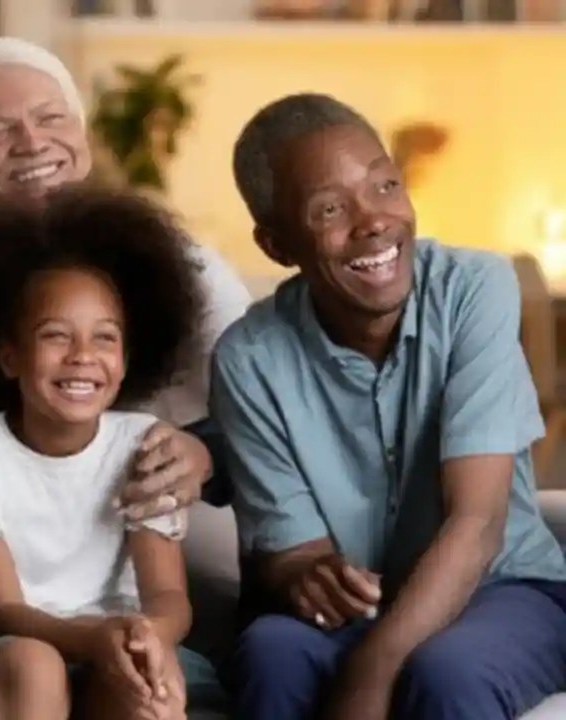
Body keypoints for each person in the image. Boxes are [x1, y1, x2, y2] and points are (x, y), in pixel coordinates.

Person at [215, 92, 566, 720]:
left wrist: (368, 678)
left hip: (502, 588)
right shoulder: (251, 356)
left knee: (448, 671)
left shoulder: (474, 290)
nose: (374, 220)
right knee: (272, 651)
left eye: (385, 185)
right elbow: (294, 553)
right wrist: (303, 571)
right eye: (329, 208)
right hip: (362, 606)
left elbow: (477, 525)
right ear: (276, 245)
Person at [0, 36, 251, 516]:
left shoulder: (189, 265)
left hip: (162, 542)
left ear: (83, 138)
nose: (31, 142)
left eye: (51, 118)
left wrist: (205, 452)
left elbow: (264, 400)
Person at [0, 188, 208, 720]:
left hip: (123, 639)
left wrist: (147, 637)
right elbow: (3, 609)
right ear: (8, 356)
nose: (82, 358)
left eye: (105, 339)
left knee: (150, 686)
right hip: (28, 642)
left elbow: (168, 596)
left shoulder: (147, 444)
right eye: (56, 336)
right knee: (35, 666)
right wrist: (92, 638)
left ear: (126, 358)